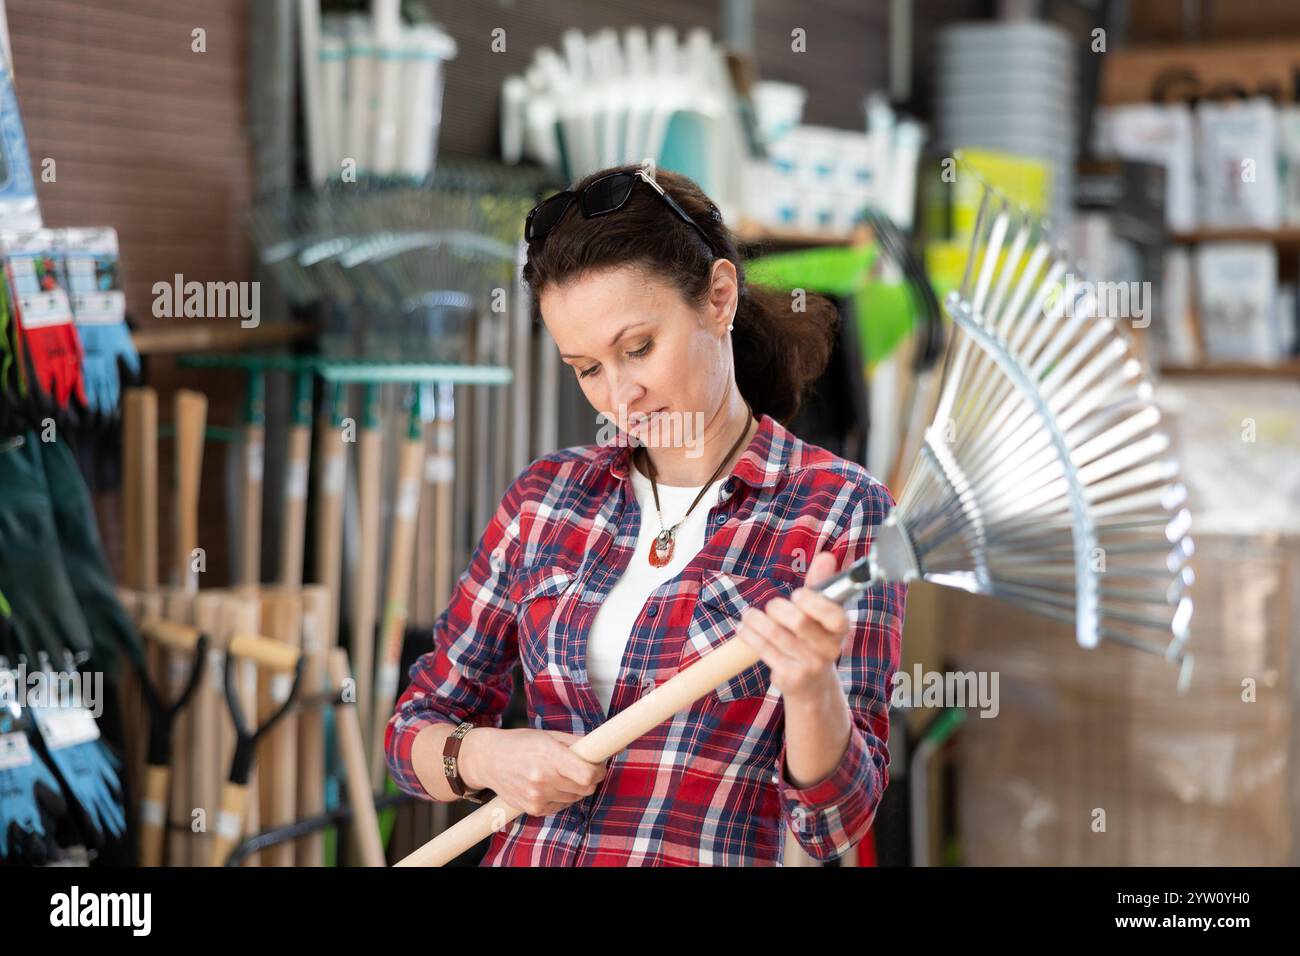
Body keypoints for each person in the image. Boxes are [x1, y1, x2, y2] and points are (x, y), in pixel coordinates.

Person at [385, 162, 906, 866]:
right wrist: (485, 755)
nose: (620, 397)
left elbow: (835, 826)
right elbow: (412, 731)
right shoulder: (547, 499)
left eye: (638, 348)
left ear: (718, 298)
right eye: (587, 368)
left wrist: (811, 688)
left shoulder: (839, 511)